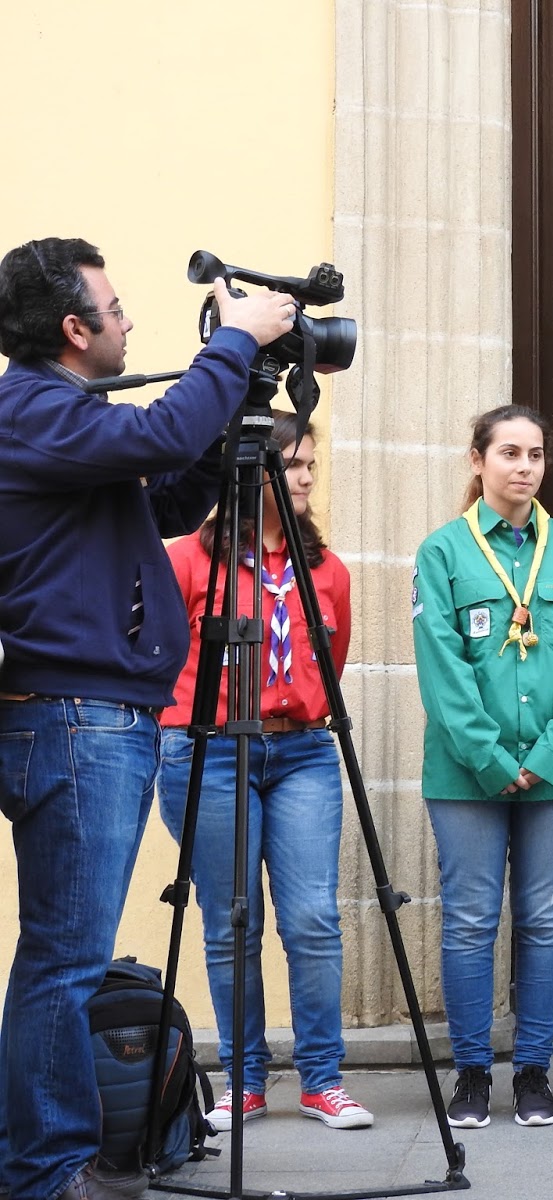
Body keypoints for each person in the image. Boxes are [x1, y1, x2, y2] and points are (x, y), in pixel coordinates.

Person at [0, 236, 292, 1200]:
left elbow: (161, 489)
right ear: (74, 329)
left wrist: (231, 439)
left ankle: (43, 1164)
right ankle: (45, 1177)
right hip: (76, 721)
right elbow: (157, 437)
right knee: (65, 961)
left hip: (90, 717)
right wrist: (237, 342)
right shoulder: (31, 408)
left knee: (60, 956)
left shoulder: (63, 421)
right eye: (115, 308)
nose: (129, 322)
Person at [156, 412, 369, 1132]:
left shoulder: (326, 568)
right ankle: (243, 1082)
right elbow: (157, 657)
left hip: (302, 749)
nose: (308, 476)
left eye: (312, 464)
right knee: (231, 923)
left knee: (311, 918)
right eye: (297, 464)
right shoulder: (190, 558)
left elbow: (327, 668)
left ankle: (322, 1080)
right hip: (211, 751)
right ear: (256, 472)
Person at [411, 405, 553, 1130]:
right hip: (467, 774)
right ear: (477, 460)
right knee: (468, 920)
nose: (524, 467)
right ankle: (471, 1072)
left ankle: (533, 1071)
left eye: (535, 455)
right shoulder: (444, 552)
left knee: (544, 918)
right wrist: (493, 758)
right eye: (509, 453)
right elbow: (442, 669)